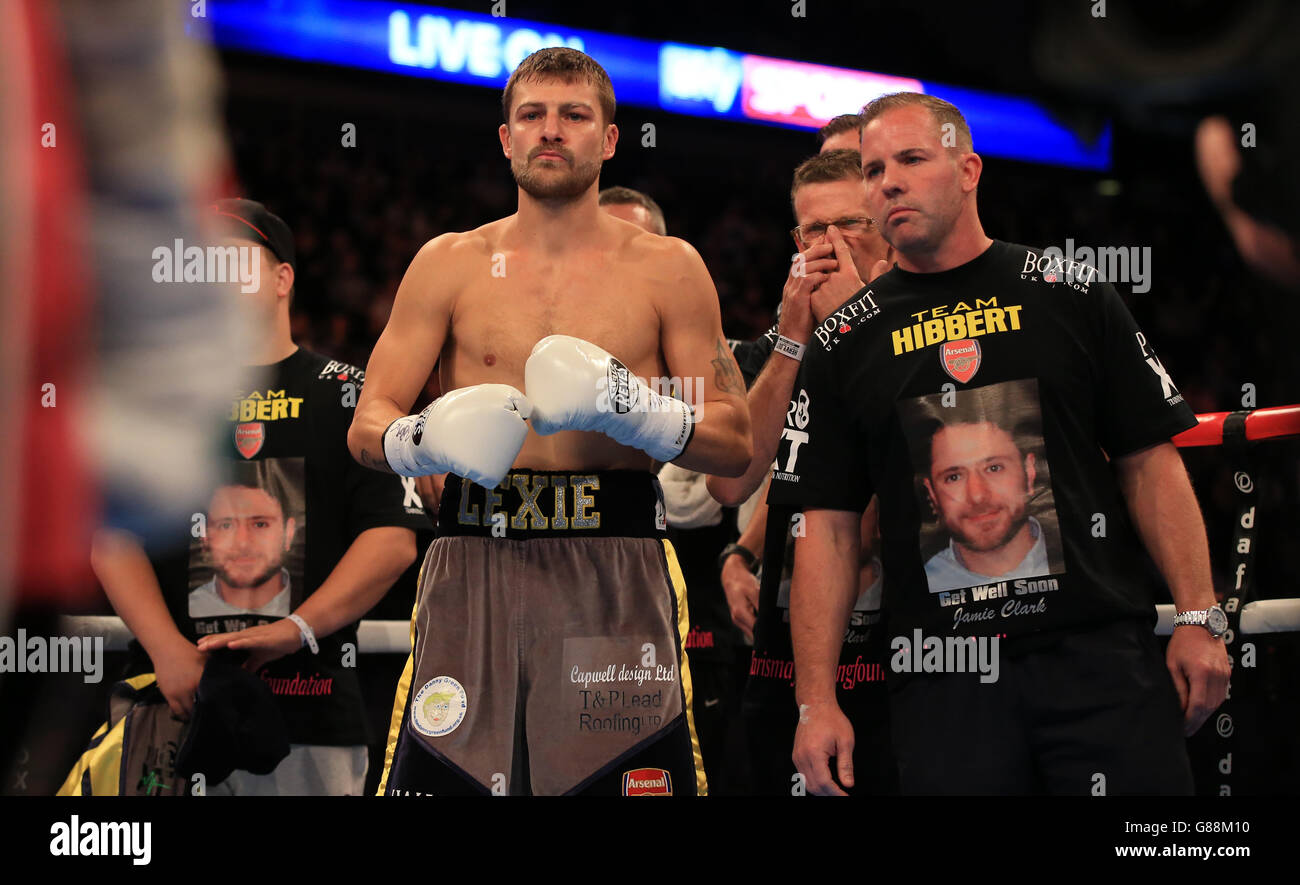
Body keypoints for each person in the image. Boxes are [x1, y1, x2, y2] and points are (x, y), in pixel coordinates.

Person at [787, 92, 1231, 796]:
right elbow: (826, 526)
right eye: (873, 170)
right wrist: (815, 700)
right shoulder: (847, 338)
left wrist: (1202, 616)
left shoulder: (1068, 292)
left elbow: (1150, 461)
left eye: (910, 159)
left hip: (1098, 657)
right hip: (944, 677)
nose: (888, 182)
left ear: (968, 170)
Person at [350, 48, 751, 796]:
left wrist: (641, 410)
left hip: (615, 564)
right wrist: (422, 437)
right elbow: (367, 422)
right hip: (474, 560)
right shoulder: (448, 263)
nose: (551, 131)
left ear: (609, 139)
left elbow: (733, 439)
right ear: (506, 138)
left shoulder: (670, 268)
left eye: (574, 115)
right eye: (532, 115)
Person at [90, 198, 425, 795]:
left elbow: (392, 540)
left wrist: (295, 628)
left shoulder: (347, 395)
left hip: (311, 713)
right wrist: (170, 654)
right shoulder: (161, 400)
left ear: (281, 278)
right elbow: (111, 537)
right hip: (169, 706)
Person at [708, 149, 895, 795]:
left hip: (910, 652)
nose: (830, 244)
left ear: (887, 225)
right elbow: (732, 481)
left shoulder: (932, 324)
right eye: (813, 230)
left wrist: (860, 323)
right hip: (786, 655)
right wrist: (793, 338)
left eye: (850, 224)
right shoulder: (781, 340)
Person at [599, 184, 748, 792]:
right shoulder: (540, 367)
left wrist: (641, 411)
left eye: (631, 247)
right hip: (586, 618)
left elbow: (707, 494)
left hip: (698, 629)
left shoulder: (709, 368)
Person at [904, 393, 1066, 594]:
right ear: (933, 495)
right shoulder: (917, 590)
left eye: (994, 468)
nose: (977, 496)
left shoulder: (1076, 559)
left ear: (1029, 473)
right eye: (954, 477)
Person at [188, 470, 297, 618]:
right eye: (225, 526)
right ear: (205, 537)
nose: (243, 543)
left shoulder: (318, 603)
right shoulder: (180, 612)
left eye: (260, 524)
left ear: (289, 533)